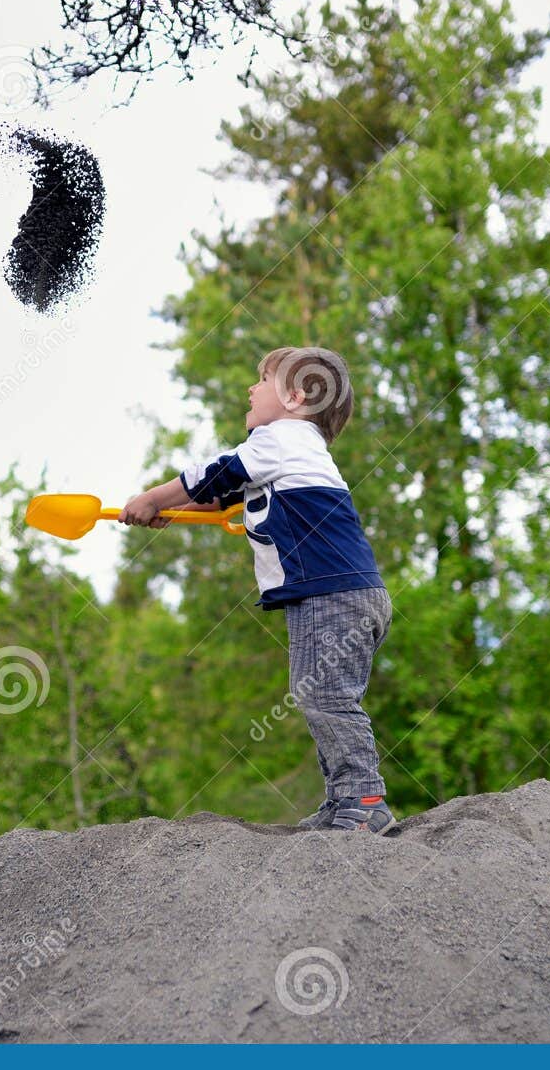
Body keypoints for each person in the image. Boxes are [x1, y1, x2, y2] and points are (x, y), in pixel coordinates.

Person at [118, 346, 395, 833]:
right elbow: (222, 497)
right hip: (340, 594)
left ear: (293, 397)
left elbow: (212, 476)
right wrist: (171, 513)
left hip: (330, 594)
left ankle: (365, 799)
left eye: (261, 380)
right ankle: (342, 801)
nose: (251, 389)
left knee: (325, 698)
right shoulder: (292, 451)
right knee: (317, 693)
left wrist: (151, 498)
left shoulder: (281, 438)